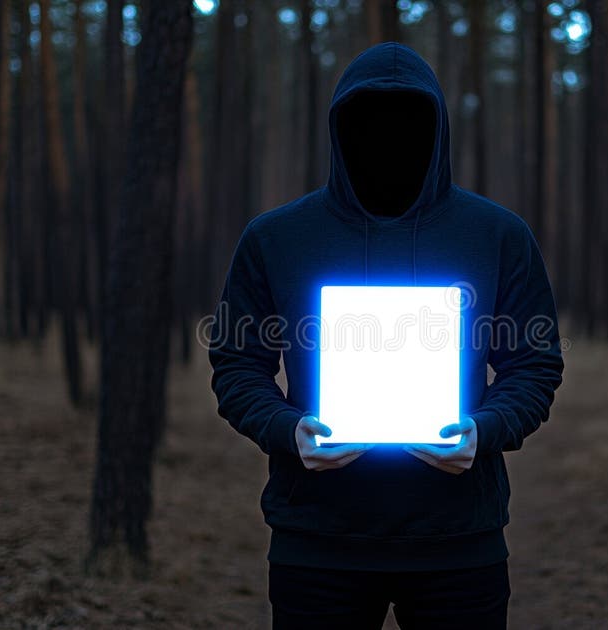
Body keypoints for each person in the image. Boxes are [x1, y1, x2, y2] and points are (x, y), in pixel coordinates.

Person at [208, 41, 564, 630]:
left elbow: (534, 365)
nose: (388, 140)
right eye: (368, 123)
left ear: (438, 129)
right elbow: (237, 364)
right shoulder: (277, 238)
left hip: (459, 542)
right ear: (340, 129)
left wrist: (486, 429)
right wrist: (287, 429)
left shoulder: (498, 235)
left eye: (408, 123)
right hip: (317, 543)